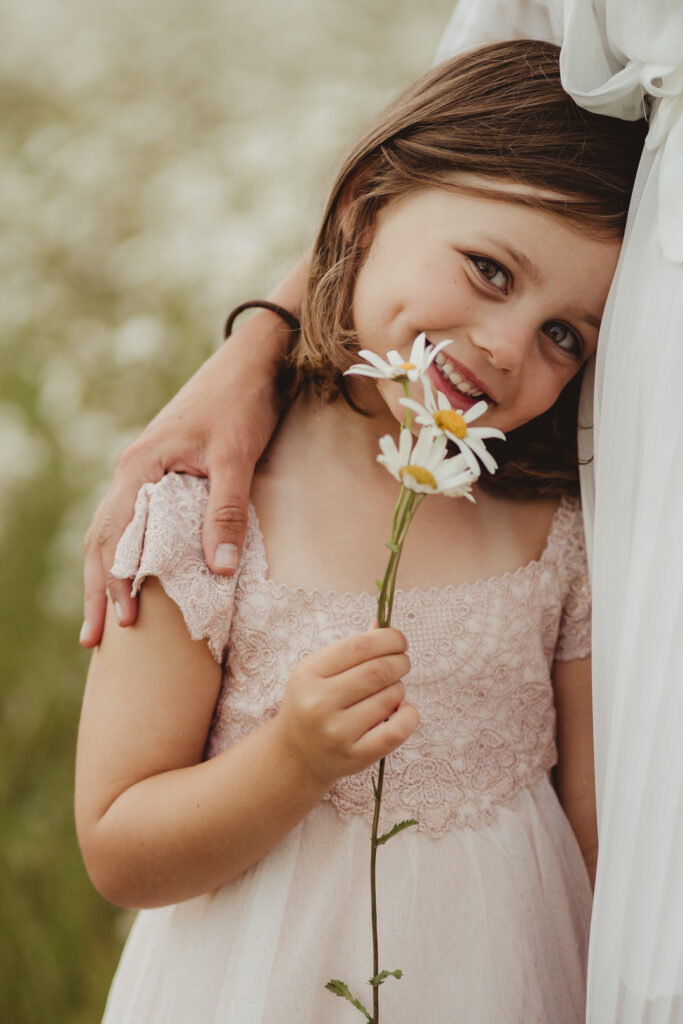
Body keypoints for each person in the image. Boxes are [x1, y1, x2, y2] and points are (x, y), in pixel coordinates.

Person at [75, 41, 647, 1022]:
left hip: (507, 981)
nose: (506, 349)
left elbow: (596, 832)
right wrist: (289, 760)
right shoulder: (211, 506)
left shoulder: (556, 526)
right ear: (364, 207)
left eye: (566, 336)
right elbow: (119, 845)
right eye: (488, 270)